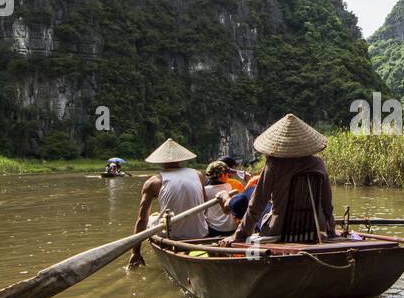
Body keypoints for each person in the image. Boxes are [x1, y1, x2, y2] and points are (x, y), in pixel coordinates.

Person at [224, 114, 337, 245]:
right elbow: (327, 204)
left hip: (279, 230)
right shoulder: (318, 164)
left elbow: (257, 203)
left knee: (252, 197)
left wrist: (239, 236)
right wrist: (331, 228)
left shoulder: (273, 164)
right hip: (316, 229)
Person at [128, 138, 209, 269]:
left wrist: (135, 252)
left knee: (152, 217)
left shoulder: (153, 182)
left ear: (160, 161)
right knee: (159, 216)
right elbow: (204, 205)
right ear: (180, 159)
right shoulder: (198, 174)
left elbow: (142, 219)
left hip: (174, 238)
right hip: (201, 233)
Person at [202, 160, 238, 236]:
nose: (228, 175)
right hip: (231, 228)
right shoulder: (228, 186)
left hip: (214, 228)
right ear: (222, 176)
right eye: (226, 174)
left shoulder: (205, 190)